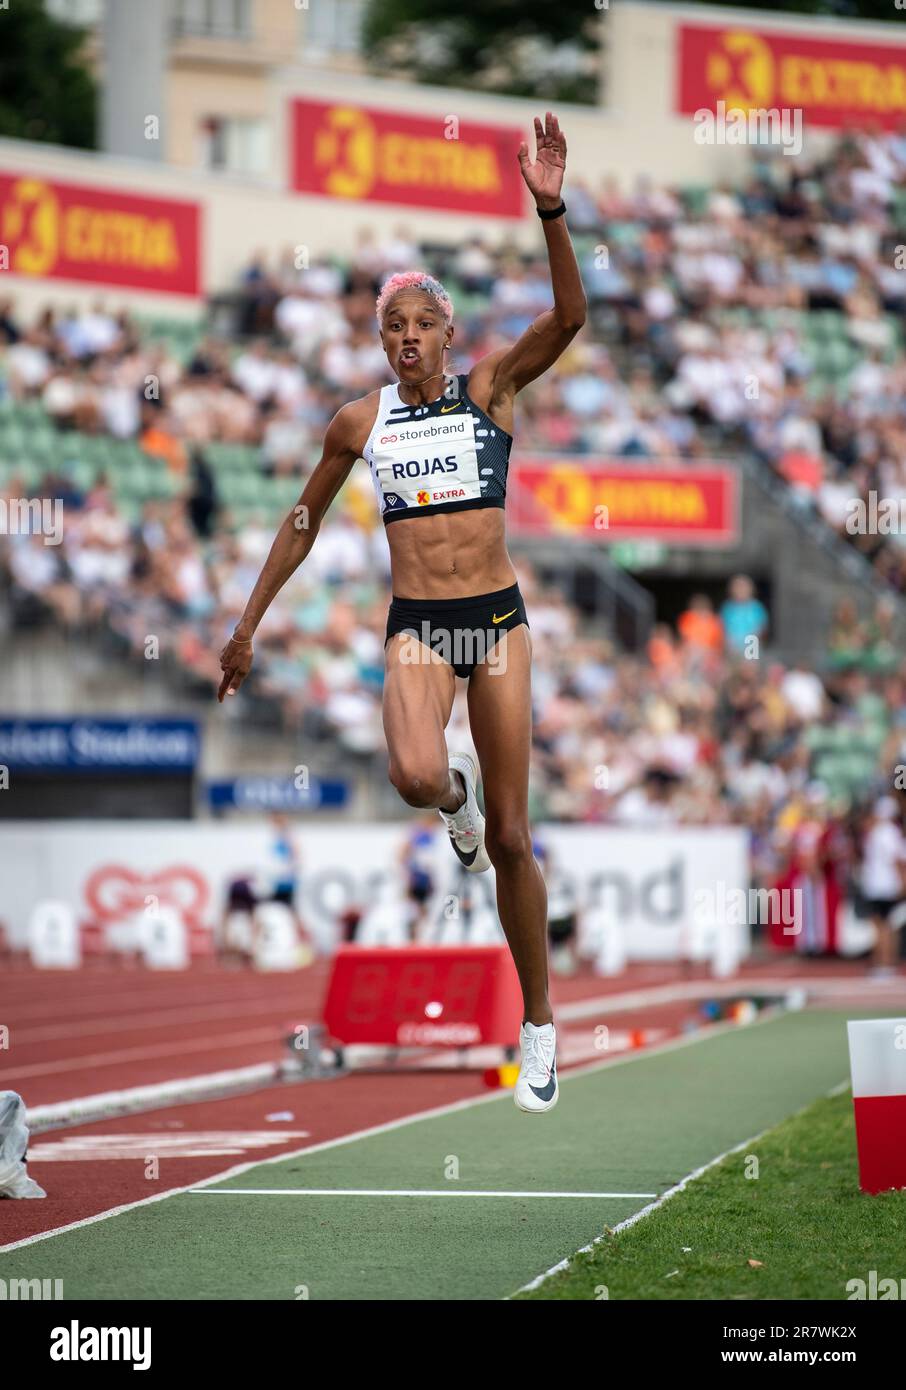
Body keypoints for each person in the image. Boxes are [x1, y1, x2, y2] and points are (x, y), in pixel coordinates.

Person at [218, 113, 587, 1113]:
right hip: (422, 625)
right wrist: (250, 621)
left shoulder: (493, 389)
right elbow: (301, 520)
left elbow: (570, 315)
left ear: (449, 332)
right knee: (416, 772)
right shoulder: (359, 421)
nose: (408, 338)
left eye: (423, 322)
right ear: (380, 340)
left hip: (497, 624)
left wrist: (549, 206)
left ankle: (541, 1023)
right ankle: (451, 801)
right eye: (393, 326)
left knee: (513, 839)